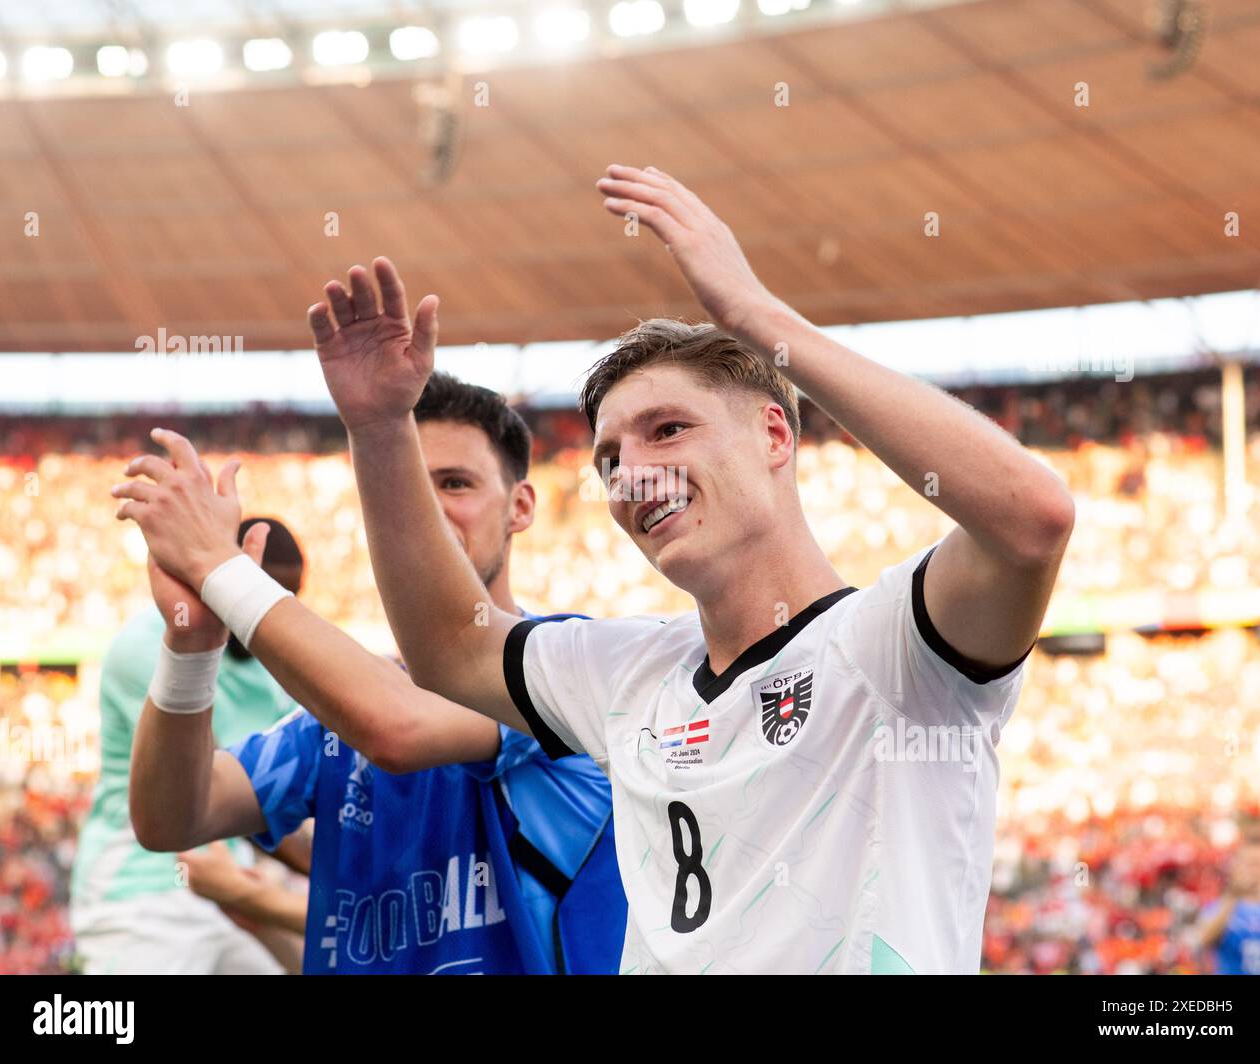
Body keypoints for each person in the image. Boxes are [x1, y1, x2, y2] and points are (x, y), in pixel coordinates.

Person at [289, 162, 1074, 974]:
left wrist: (755, 316)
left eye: (667, 430)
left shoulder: (896, 649)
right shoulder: (629, 672)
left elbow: (1031, 520)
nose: (633, 472)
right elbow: (450, 645)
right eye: (609, 458)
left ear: (775, 435)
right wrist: (380, 429)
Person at [115, 375, 626, 974]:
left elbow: (397, 728)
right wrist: (193, 644)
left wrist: (219, 571)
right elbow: (171, 816)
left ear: (521, 507)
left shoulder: (563, 668)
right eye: (403, 488)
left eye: (455, 483)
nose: (425, 509)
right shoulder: (338, 716)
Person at [70, 518, 309, 975]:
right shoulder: (152, 645)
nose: (269, 613)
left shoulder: (266, 668)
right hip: (139, 895)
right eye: (263, 593)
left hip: (224, 888)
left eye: (286, 598)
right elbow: (223, 788)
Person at [1196, 839, 1260, 975]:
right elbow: (1204, 939)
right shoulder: (1221, 904)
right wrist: (1233, 895)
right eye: (1250, 864)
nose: (1256, 871)